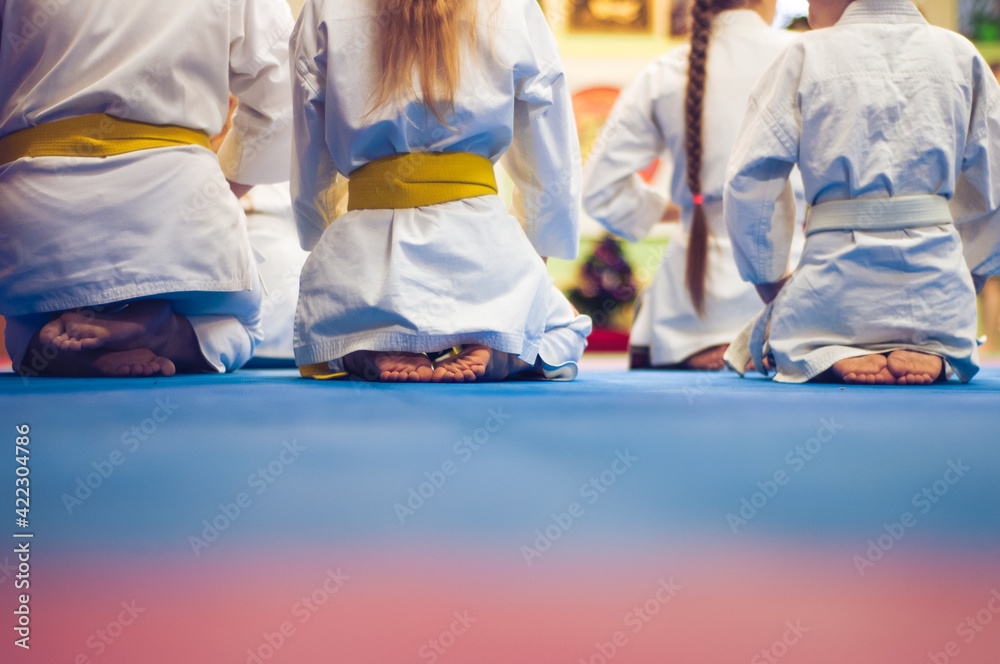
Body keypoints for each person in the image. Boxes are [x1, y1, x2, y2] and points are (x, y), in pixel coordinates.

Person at [290, 0, 591, 383]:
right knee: (564, 330)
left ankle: (366, 342)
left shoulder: (325, 6)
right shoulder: (511, 6)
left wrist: (329, 250)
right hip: (483, 247)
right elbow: (551, 157)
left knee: (327, 332)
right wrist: (530, 269)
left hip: (365, 251)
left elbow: (309, 148)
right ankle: (503, 347)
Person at [0, 0, 293, 377]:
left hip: (36, 211)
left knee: (23, 327)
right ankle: (163, 331)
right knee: (242, 327)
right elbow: (284, 101)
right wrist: (221, 191)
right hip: (175, 203)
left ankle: (49, 343)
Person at [723, 0, 1000, 384]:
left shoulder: (804, 55)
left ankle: (827, 348)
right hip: (936, 295)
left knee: (811, 330)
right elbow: (994, 187)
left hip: (831, 297)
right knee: (941, 326)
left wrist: (768, 280)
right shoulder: (960, 55)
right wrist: (965, 279)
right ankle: (935, 347)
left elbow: (750, 179)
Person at [582, 0, 801, 371]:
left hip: (687, 316)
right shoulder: (801, 57)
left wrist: (686, 206)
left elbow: (598, 188)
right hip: (789, 294)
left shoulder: (664, 72)